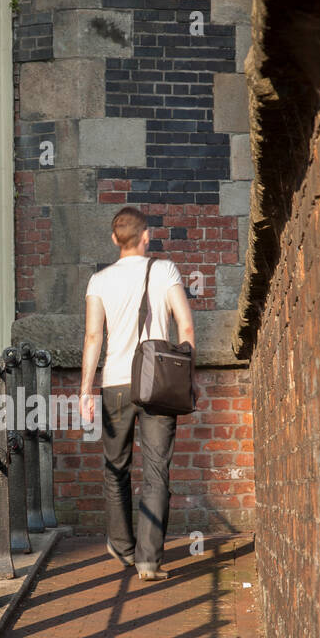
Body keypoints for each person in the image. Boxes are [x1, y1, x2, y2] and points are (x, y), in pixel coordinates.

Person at [79, 206, 196, 581]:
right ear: (146, 237)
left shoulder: (98, 280)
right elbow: (186, 326)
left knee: (116, 468)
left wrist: (85, 390)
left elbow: (94, 337)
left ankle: (122, 545)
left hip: (114, 383)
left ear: (115, 240)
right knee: (157, 471)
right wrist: (187, 371)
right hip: (158, 382)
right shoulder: (164, 270)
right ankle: (148, 560)